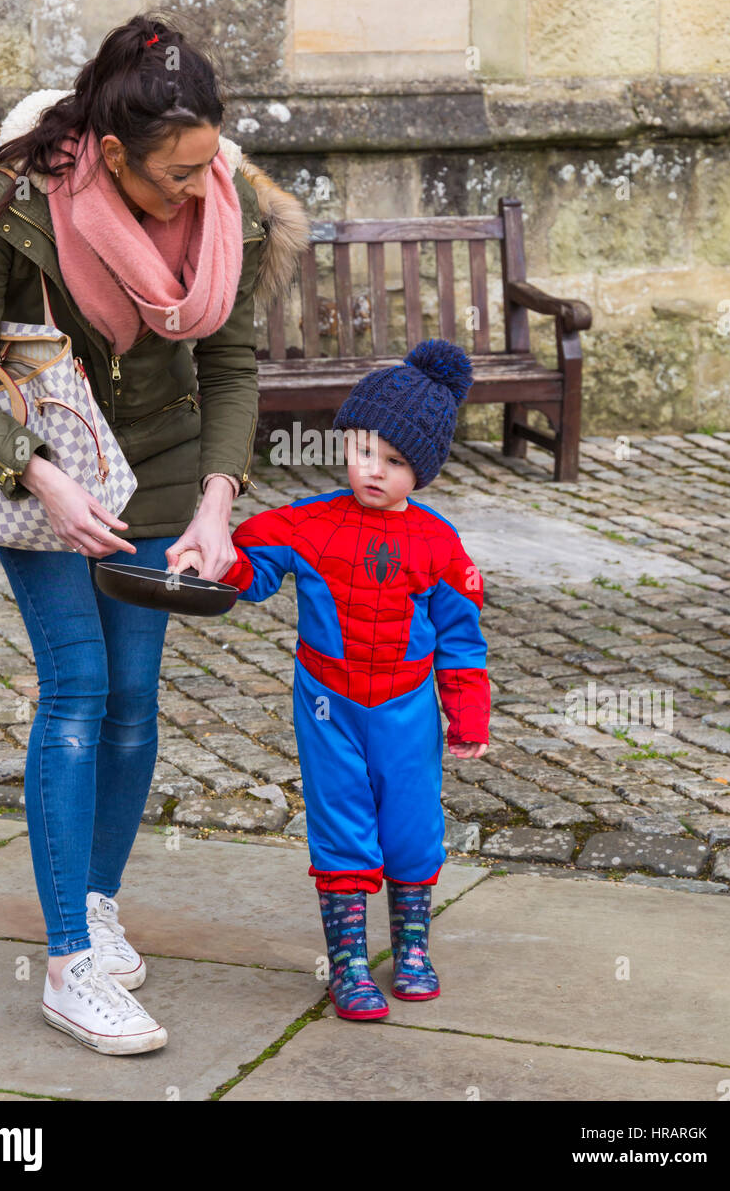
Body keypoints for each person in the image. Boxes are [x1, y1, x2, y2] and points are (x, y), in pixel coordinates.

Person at [0, 12, 306, 1054]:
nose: (191, 191)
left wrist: (219, 502)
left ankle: (97, 900)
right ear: (110, 151)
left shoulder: (230, 211)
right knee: (77, 688)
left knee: (134, 703)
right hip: (41, 464)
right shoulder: (10, 207)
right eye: (170, 175)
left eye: (205, 164)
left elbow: (226, 368)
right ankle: (71, 965)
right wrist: (36, 477)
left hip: (162, 471)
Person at [176, 338, 491, 1020]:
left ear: (425, 469)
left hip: (407, 707)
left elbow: (462, 638)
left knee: (411, 823)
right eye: (362, 449)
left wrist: (468, 713)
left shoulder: (439, 547)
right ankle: (347, 962)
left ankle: (410, 947)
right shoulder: (304, 527)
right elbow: (253, 574)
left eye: (396, 460)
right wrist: (222, 567)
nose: (372, 469)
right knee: (341, 822)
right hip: (328, 705)